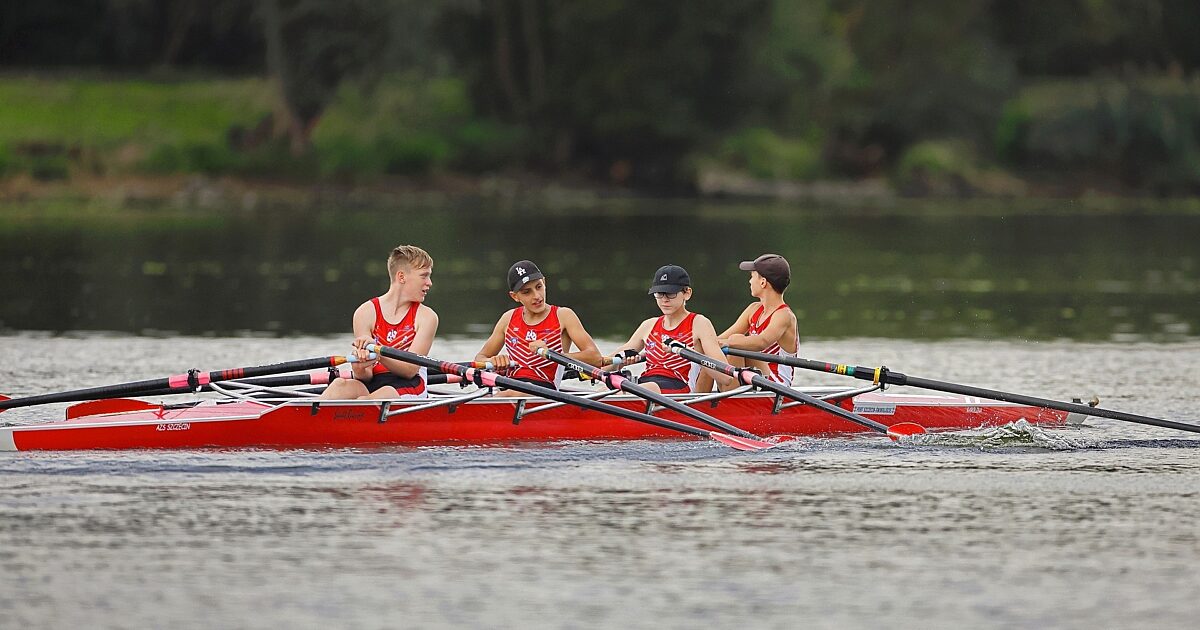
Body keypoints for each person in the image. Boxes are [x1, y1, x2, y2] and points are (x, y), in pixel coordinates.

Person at [320, 245, 439, 399]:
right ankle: (306, 419)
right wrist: (359, 367)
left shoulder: (427, 317)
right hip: (373, 383)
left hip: (411, 385)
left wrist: (377, 351)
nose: (429, 283)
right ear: (401, 277)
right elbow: (365, 376)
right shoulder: (365, 313)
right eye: (424, 276)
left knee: (371, 399)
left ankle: (351, 417)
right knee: (338, 386)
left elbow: (409, 369)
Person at [474, 260, 603, 396]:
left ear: (544, 283)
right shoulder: (508, 318)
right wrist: (493, 361)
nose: (537, 296)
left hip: (544, 391)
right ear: (515, 296)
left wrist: (552, 355)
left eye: (538, 287)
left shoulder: (564, 316)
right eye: (527, 292)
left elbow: (595, 358)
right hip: (509, 387)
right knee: (489, 393)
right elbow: (479, 358)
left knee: (505, 395)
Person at [607, 264, 734, 394]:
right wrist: (618, 363)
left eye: (670, 294)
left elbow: (726, 377)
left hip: (679, 386)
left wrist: (687, 351)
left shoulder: (700, 323)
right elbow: (606, 364)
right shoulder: (648, 325)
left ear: (687, 293)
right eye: (659, 294)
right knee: (606, 389)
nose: (664, 300)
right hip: (646, 384)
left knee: (633, 390)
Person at [698, 253, 798, 392]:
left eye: (752, 277)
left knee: (736, 341)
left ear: (763, 282)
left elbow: (761, 342)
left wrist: (728, 342)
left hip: (776, 385)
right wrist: (700, 345)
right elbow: (719, 339)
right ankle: (698, 398)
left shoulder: (784, 316)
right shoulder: (753, 309)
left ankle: (730, 396)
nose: (749, 282)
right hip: (754, 376)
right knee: (710, 350)